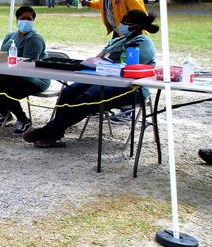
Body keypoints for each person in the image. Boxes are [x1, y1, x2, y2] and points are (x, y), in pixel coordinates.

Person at [23, 10, 158, 147]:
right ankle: (55, 132)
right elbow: (98, 58)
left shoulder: (143, 44)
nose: (120, 24)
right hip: (102, 78)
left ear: (135, 26)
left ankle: (47, 132)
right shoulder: (119, 40)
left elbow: (129, 70)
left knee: (88, 98)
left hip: (132, 89)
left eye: (124, 22)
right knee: (68, 92)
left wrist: (106, 62)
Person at [0, 6, 49, 134]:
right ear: (17, 19)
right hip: (11, 74)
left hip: (35, 77)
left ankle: (23, 120)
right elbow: (2, 57)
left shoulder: (34, 38)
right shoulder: (10, 36)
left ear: (33, 21)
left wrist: (4, 75)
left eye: (29, 19)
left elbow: (28, 65)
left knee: (7, 89)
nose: (26, 21)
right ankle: (5, 113)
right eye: (22, 18)